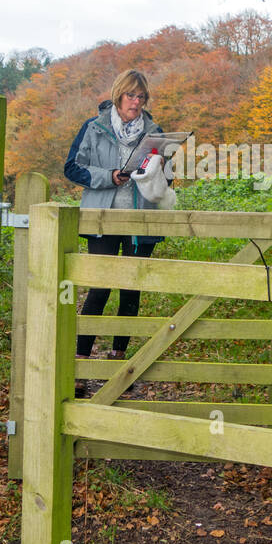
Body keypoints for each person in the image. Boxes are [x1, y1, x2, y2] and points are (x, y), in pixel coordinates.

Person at [64, 70, 173, 394]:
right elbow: (72, 167)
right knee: (99, 288)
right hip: (103, 218)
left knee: (131, 289)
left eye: (141, 98)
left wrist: (158, 173)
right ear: (118, 96)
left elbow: (169, 175)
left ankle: (119, 366)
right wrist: (108, 175)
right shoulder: (93, 127)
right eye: (131, 97)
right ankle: (80, 366)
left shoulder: (156, 132)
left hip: (142, 220)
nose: (136, 103)